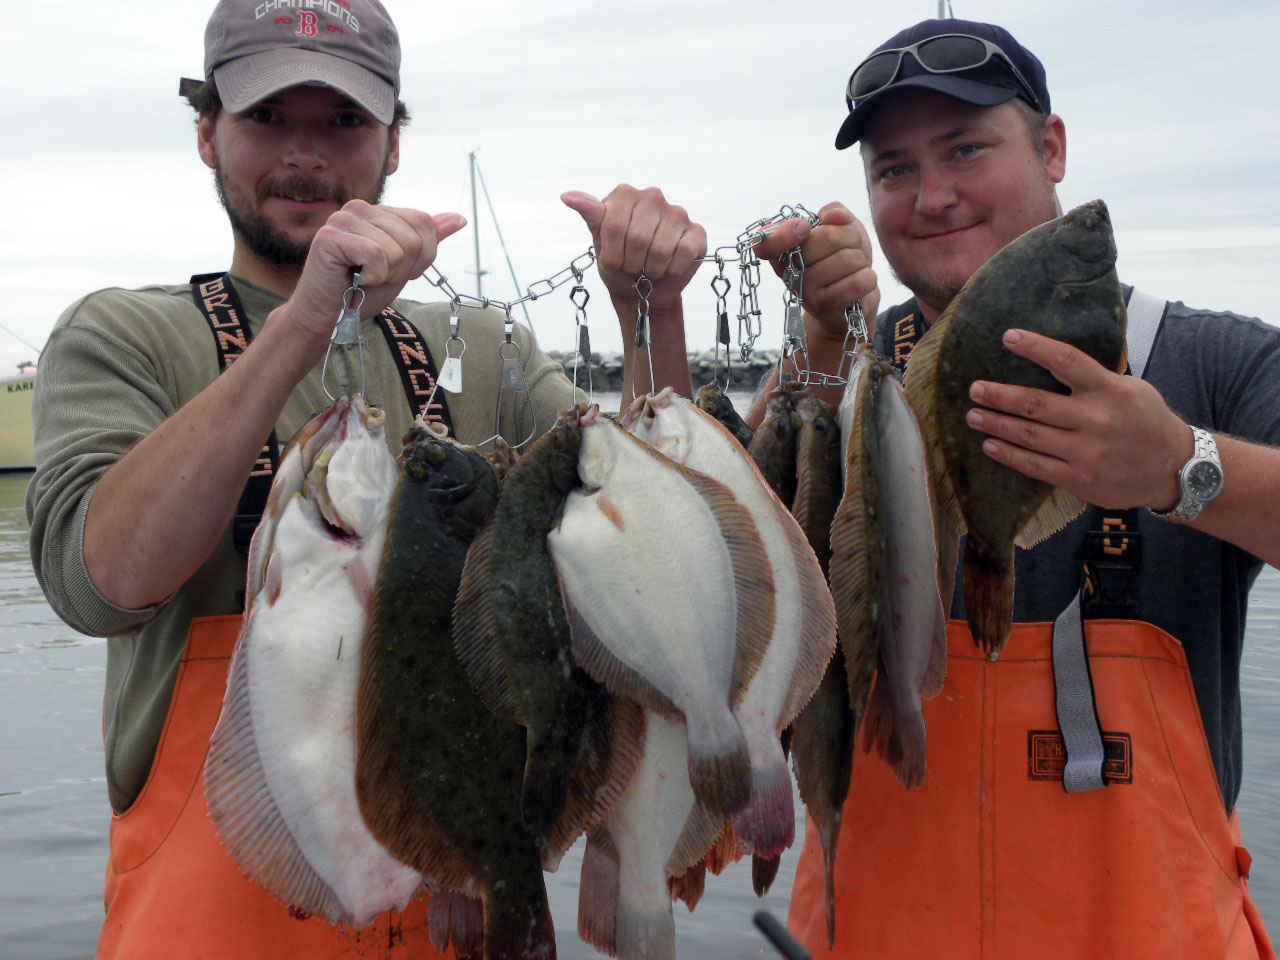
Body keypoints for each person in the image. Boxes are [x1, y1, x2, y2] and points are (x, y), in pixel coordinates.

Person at [24, 1, 705, 956]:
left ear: (393, 144)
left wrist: (654, 315)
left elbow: (668, 538)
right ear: (207, 131)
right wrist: (302, 325)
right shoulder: (124, 336)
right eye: (268, 118)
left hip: (461, 896)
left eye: (343, 122)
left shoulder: (482, 346)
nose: (305, 154)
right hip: (215, 919)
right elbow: (100, 584)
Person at [751, 18, 1280, 959]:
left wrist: (1185, 468)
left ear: (1052, 147)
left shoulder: (1215, 363)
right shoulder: (847, 387)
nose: (934, 196)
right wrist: (817, 347)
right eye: (894, 169)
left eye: (965, 149)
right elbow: (741, 590)